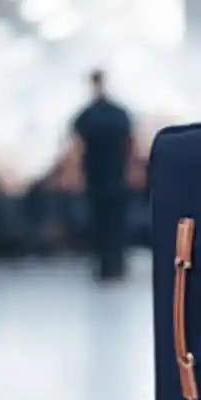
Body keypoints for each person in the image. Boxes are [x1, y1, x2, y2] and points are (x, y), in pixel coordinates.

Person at [69, 69, 136, 281]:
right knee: (109, 222)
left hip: (104, 175)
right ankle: (111, 264)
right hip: (108, 175)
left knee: (107, 222)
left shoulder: (89, 115)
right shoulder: (116, 113)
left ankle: (110, 264)